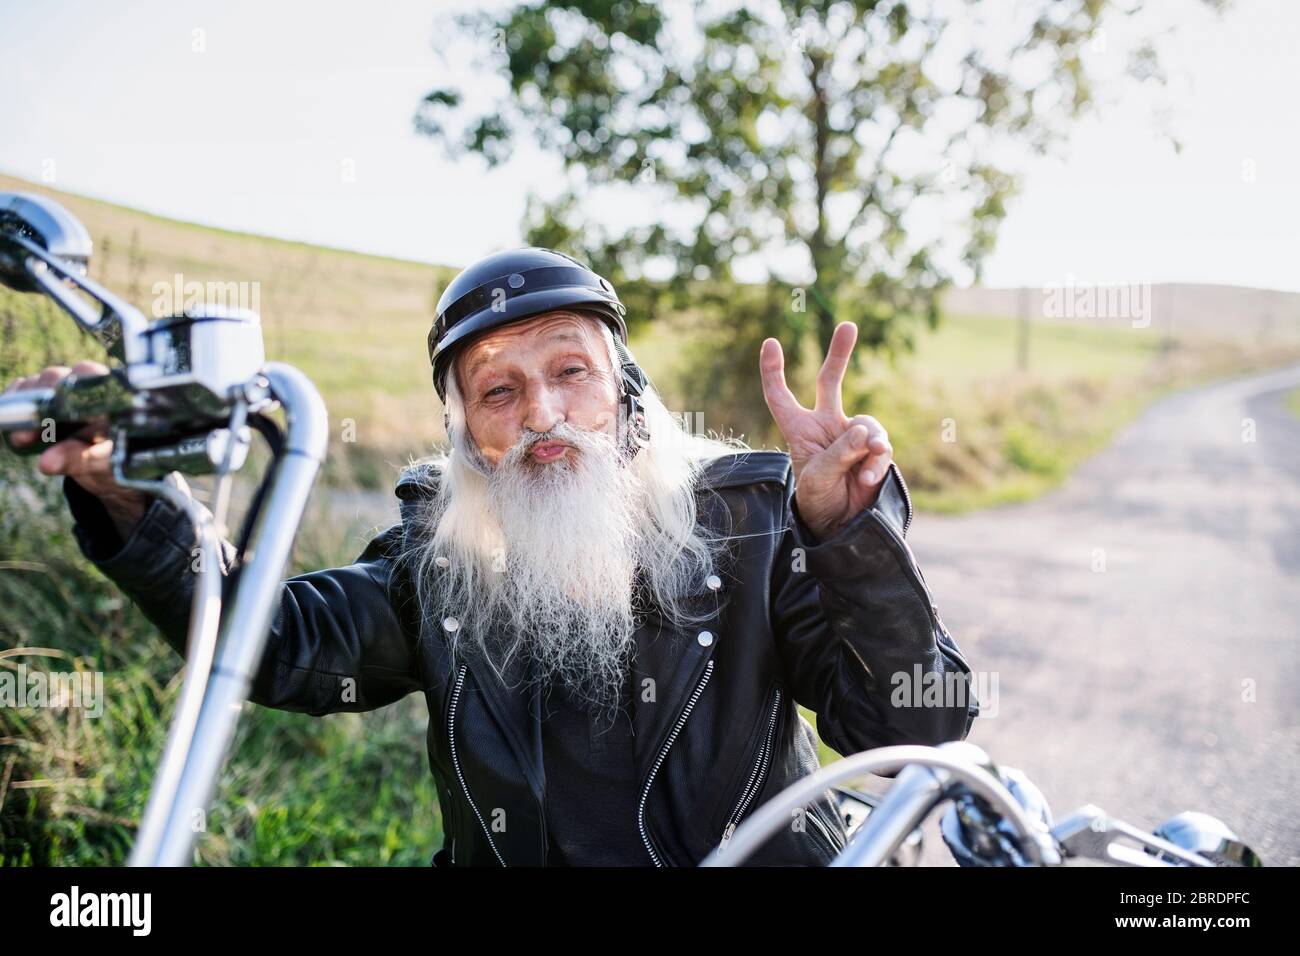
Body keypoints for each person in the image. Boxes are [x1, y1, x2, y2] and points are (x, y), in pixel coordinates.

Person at [5, 247, 977, 866]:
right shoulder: (438, 561)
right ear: (466, 431)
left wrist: (849, 537)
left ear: (628, 398)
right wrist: (124, 491)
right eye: (498, 390)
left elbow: (915, 730)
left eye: (568, 371)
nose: (542, 413)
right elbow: (277, 641)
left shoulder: (755, 521)